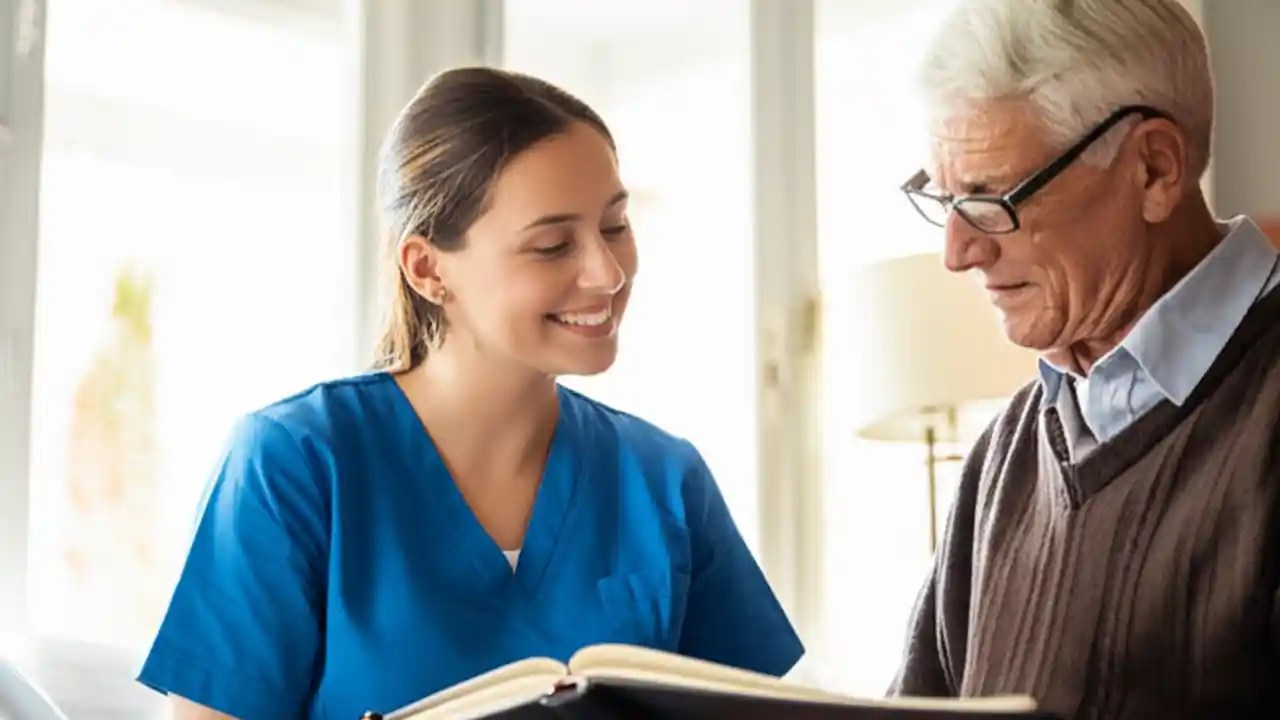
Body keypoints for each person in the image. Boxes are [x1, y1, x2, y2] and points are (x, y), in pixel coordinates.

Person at [137, 67, 803, 720]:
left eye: (614, 227)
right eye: (551, 245)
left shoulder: (666, 480)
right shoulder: (294, 463)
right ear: (427, 269)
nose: (605, 273)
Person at [891, 1, 1280, 718]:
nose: (957, 252)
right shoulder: (1005, 453)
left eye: (990, 198)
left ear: (1154, 170)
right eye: (944, 198)